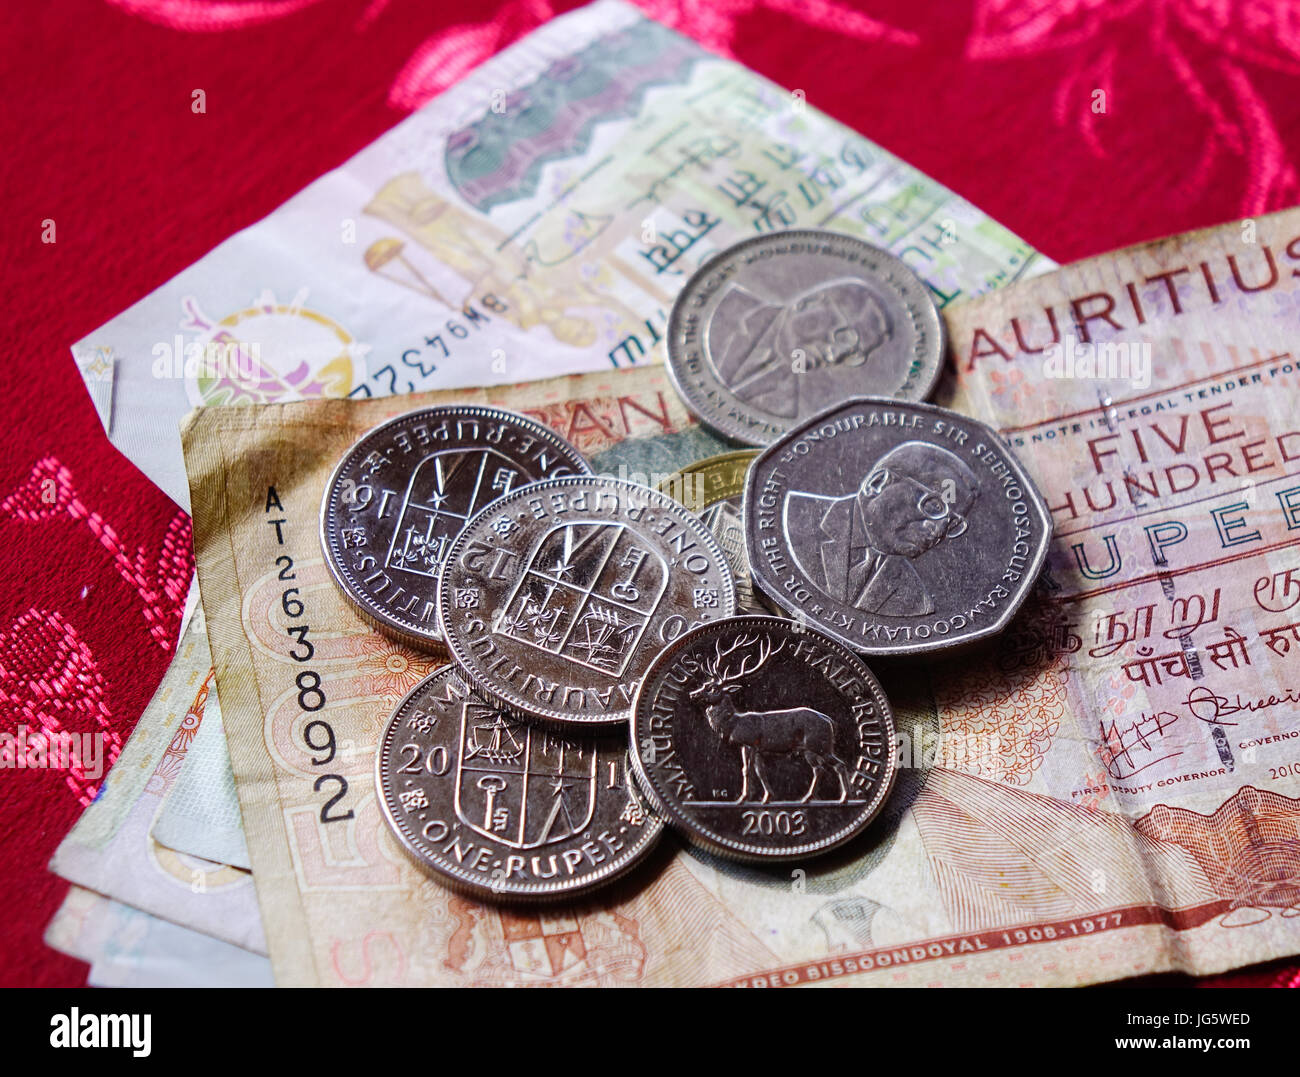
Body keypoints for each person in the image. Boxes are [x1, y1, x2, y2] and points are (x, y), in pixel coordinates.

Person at [786, 441, 980, 616]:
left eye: (952, 523)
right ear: (877, 482)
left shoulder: (916, 602)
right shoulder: (795, 524)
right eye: (934, 506)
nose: (938, 531)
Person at [709, 279, 892, 417]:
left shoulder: (783, 406)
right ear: (809, 303)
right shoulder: (725, 311)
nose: (834, 356)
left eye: (854, 354)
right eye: (843, 336)